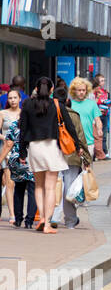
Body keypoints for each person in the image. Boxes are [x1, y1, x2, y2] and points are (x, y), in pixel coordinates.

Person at [19, 77, 69, 234]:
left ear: (36, 88)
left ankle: (40, 218)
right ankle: (47, 222)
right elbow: (70, 126)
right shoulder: (57, 105)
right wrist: (80, 147)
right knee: (51, 187)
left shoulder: (27, 105)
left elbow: (23, 130)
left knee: (38, 186)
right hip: (52, 147)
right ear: (52, 90)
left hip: (34, 148)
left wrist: (22, 152)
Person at [54, 82, 93, 228]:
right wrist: (87, 159)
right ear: (68, 100)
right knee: (69, 190)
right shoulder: (73, 115)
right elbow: (81, 138)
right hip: (72, 156)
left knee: (55, 187)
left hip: (53, 156)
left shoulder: (49, 113)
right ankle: (70, 221)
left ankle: (54, 218)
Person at [0, 117, 35, 228]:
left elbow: (9, 143)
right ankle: (29, 221)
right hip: (33, 159)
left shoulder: (16, 124)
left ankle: (18, 219)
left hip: (17, 160)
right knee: (32, 190)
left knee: (19, 189)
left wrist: (0, 159)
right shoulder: (36, 123)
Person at [0, 89, 20, 224]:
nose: (12, 100)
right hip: (6, 150)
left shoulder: (24, 113)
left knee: (21, 183)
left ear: (19, 99)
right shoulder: (2, 113)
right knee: (9, 182)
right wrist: (7, 138)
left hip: (21, 150)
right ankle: (12, 213)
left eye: (15, 98)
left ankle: (19, 212)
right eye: (10, 98)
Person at [93, 74, 110, 160]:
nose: (103, 82)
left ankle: (104, 152)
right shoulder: (94, 92)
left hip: (104, 114)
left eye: (104, 81)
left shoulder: (104, 91)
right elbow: (94, 103)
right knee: (97, 134)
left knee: (103, 134)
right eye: (101, 80)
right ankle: (98, 154)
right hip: (97, 115)